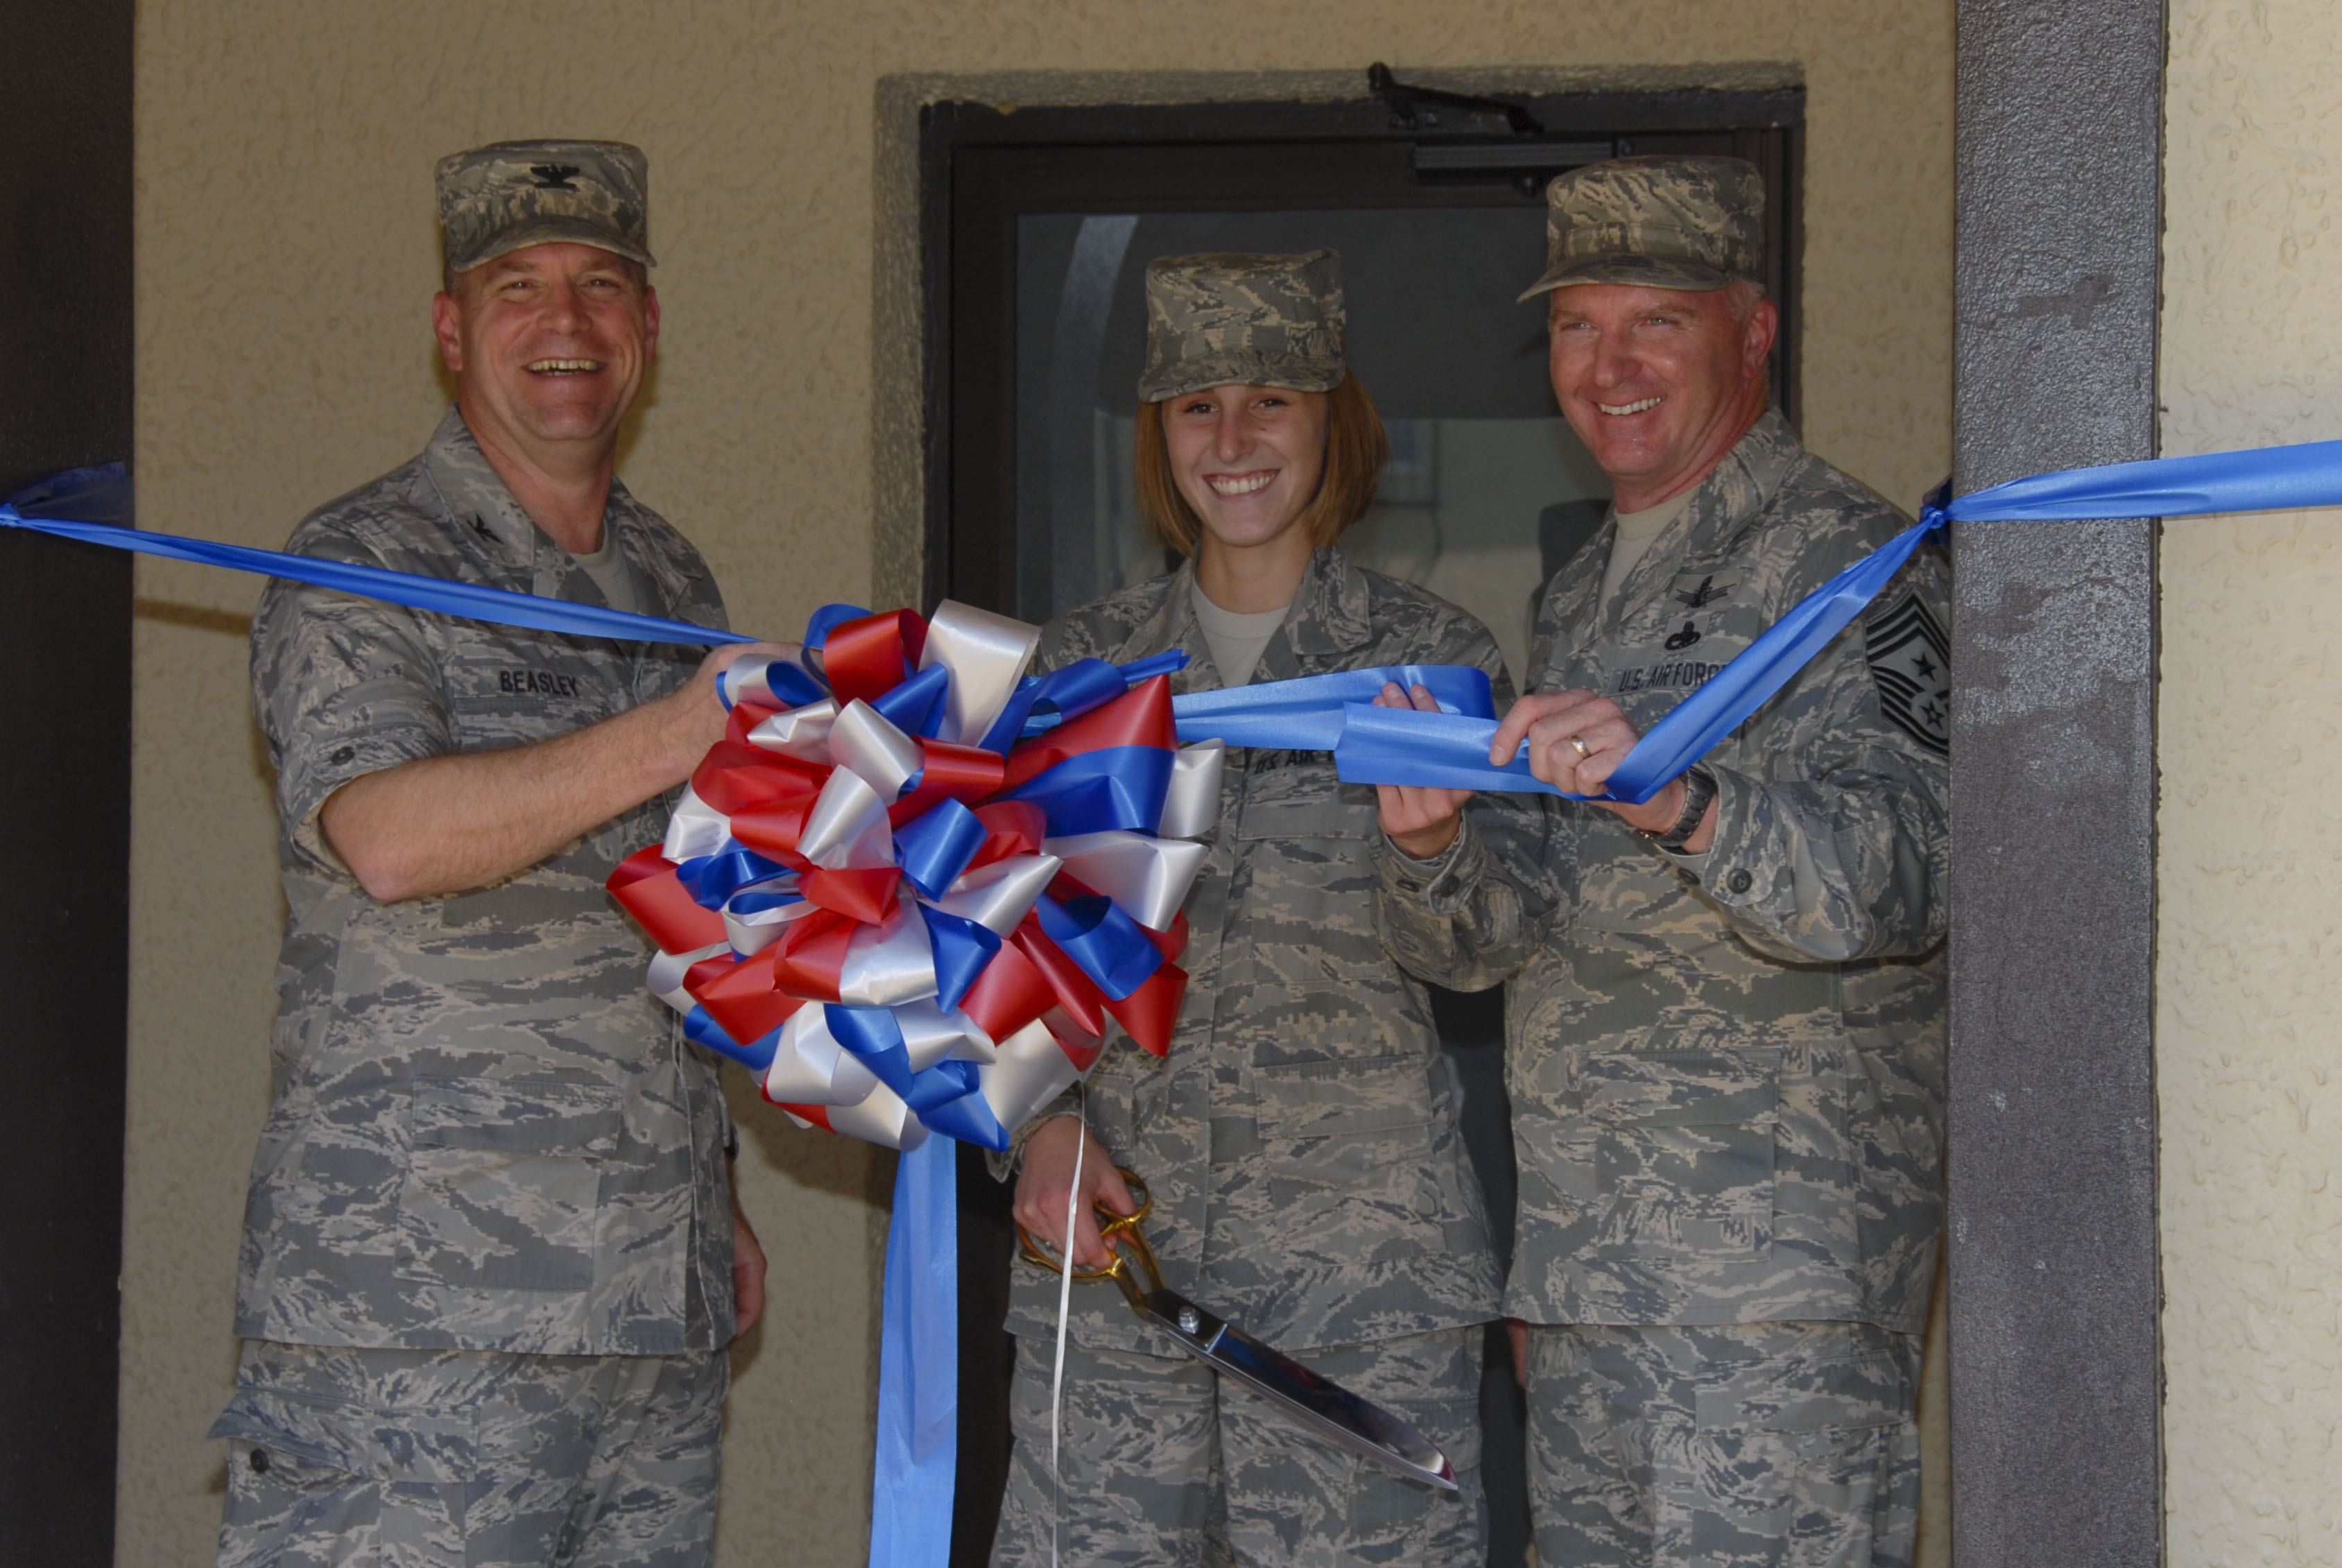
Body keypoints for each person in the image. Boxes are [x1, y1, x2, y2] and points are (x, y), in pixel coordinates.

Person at [211, 140, 793, 1567]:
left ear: (648, 325)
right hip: (420, 1314)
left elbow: (684, 904)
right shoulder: (360, 563)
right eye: (516, 286)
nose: (566, 321)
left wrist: (714, 1187)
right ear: (451, 329)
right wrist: (674, 730)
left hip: (647, 1303)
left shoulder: (670, 577)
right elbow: (388, 838)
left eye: (602, 284)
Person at [1373, 156, 1952, 1568]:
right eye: (1578, 326)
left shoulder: (1850, 565)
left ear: (1753, 333)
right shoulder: (1582, 590)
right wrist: (1434, 844)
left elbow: (1908, 878)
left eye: (1657, 322)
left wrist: (1684, 800)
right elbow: (1514, 937)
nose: (1608, 367)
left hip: (1772, 1288)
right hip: (1595, 1279)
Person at [991, 251, 1519, 1566]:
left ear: (1332, 419)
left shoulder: (1428, 664)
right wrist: (1038, 1128)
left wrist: (1432, 848)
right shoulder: (1078, 672)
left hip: (1360, 1286)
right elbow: (994, 944)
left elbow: (1483, 957)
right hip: (1117, 1270)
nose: (1231, 442)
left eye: (1270, 400)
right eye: (1196, 406)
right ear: (1157, 433)